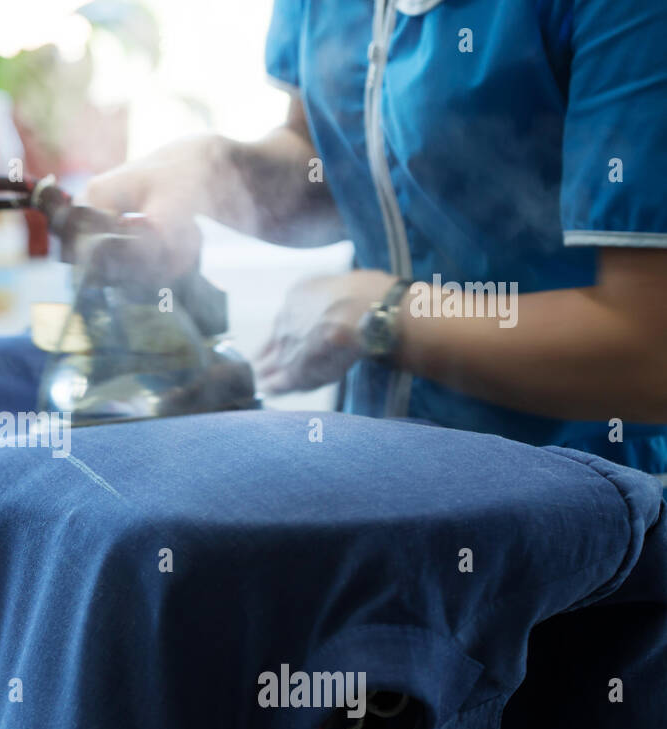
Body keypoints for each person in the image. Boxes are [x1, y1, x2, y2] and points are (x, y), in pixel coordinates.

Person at [85, 0, 667, 478]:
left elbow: (650, 356)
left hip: (592, 506)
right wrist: (213, 171)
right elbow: (336, 164)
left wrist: (385, 315)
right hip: (384, 475)